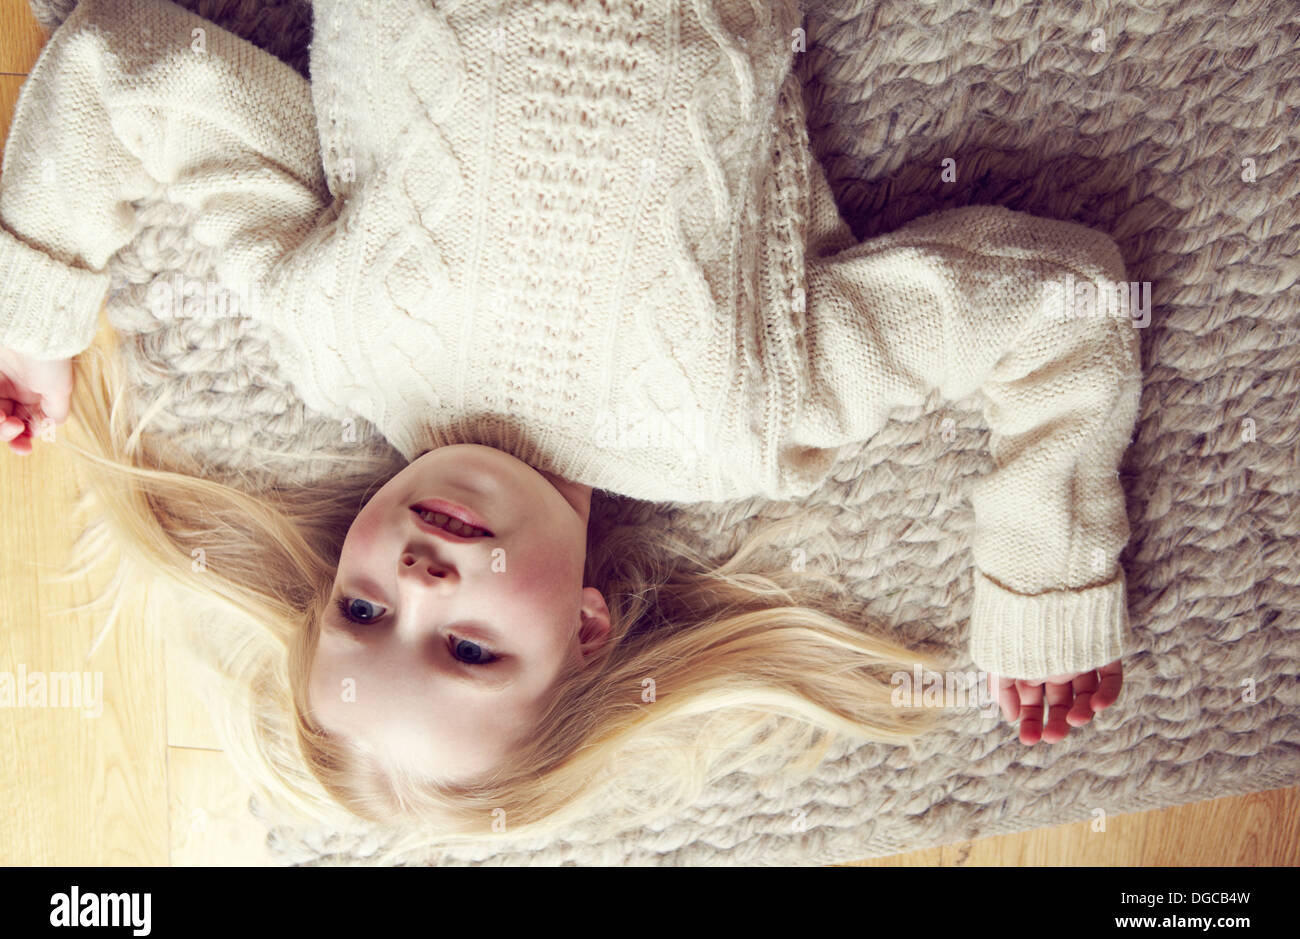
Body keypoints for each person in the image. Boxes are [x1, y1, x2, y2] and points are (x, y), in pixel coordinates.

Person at [0, 0, 1137, 836]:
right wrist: (1044, 566)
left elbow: (118, 64)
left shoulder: (330, 340)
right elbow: (1061, 306)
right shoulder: (737, 422)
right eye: (468, 647)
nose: (420, 578)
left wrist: (37, 311)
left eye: (361, 604)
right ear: (589, 628)